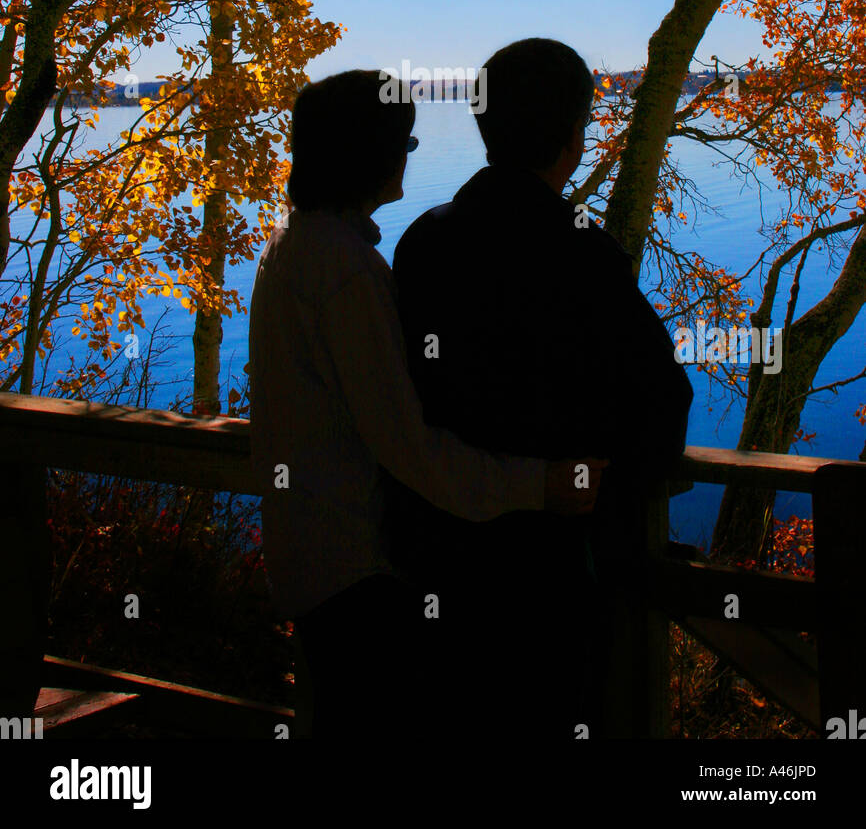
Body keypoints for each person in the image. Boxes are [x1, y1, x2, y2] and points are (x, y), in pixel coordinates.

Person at [247, 68, 609, 743]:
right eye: (405, 142)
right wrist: (538, 486)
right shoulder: (347, 272)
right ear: (371, 152)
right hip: (356, 573)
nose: (410, 154)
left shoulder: (289, 250)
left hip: (305, 558)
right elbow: (406, 443)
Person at [384, 38, 694, 741]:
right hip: (550, 579)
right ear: (573, 139)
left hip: (436, 562)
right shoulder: (580, 256)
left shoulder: (422, 244)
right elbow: (660, 398)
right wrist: (614, 497)